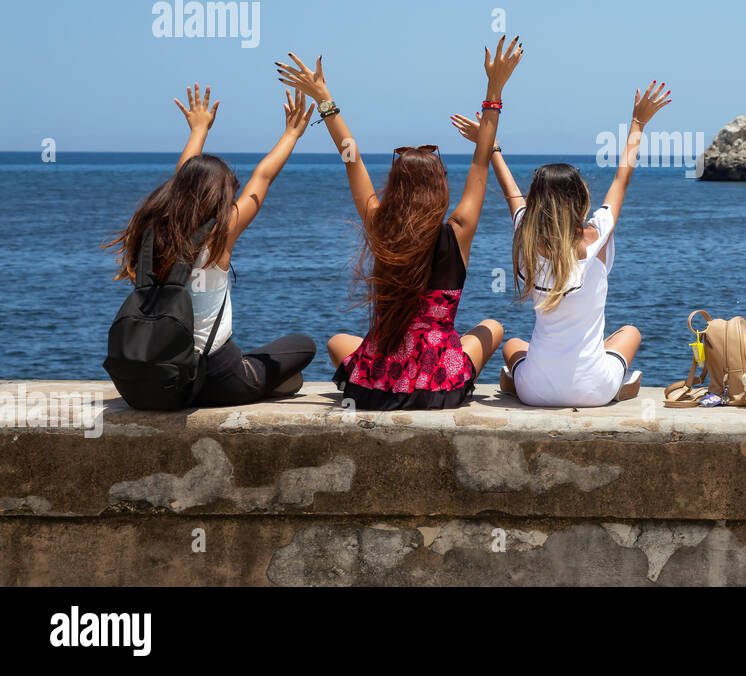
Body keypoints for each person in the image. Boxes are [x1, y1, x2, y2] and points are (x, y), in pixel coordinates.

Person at [276, 38, 522, 410]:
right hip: (439, 384)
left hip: (377, 384)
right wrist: (494, 89)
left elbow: (351, 157)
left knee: (337, 342)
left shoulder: (380, 225)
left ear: (395, 185)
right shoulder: (457, 229)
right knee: (493, 328)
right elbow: (480, 163)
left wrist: (323, 98)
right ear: (438, 187)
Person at [450, 80, 671, 407]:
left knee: (513, 344)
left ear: (537, 202)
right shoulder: (597, 237)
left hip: (534, 391)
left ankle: (514, 381)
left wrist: (490, 145)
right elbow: (622, 178)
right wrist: (638, 123)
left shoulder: (525, 235)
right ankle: (617, 383)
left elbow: (512, 192)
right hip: (594, 390)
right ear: (580, 198)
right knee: (630, 334)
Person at [107, 84, 318, 406]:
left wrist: (198, 129)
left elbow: (183, 184)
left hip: (155, 379)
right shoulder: (219, 233)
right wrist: (292, 133)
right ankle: (264, 384)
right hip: (216, 380)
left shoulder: (151, 234)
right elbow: (262, 178)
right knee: (303, 345)